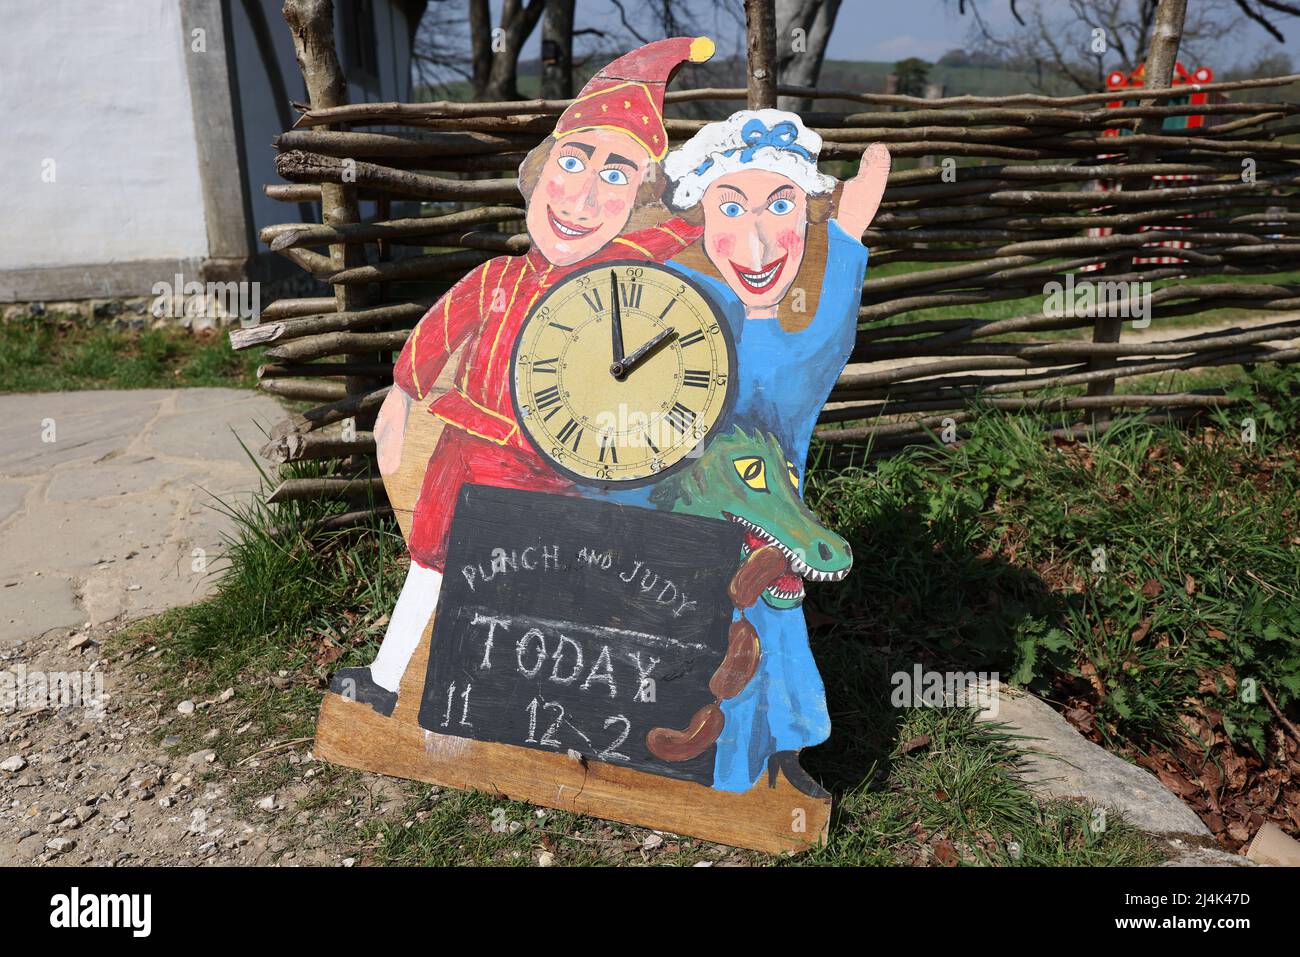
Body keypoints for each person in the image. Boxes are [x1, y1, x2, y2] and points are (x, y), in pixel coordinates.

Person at [332, 37, 715, 716]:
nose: (584, 194)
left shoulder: (618, 277)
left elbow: (676, 233)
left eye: (617, 175)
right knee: (432, 558)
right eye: (572, 162)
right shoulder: (499, 277)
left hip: (561, 462)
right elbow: (433, 342)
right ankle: (393, 678)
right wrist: (400, 398)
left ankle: (538, 699)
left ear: (640, 201)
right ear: (538, 175)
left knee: (545, 575)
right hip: (467, 448)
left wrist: (699, 207)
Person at [659, 110, 891, 791]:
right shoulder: (679, 302)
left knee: (770, 631)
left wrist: (844, 243)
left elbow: (826, 343)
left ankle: (773, 757)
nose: (758, 242)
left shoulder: (796, 345)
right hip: (676, 534)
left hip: (764, 537)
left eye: (781, 206)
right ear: (700, 218)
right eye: (730, 207)